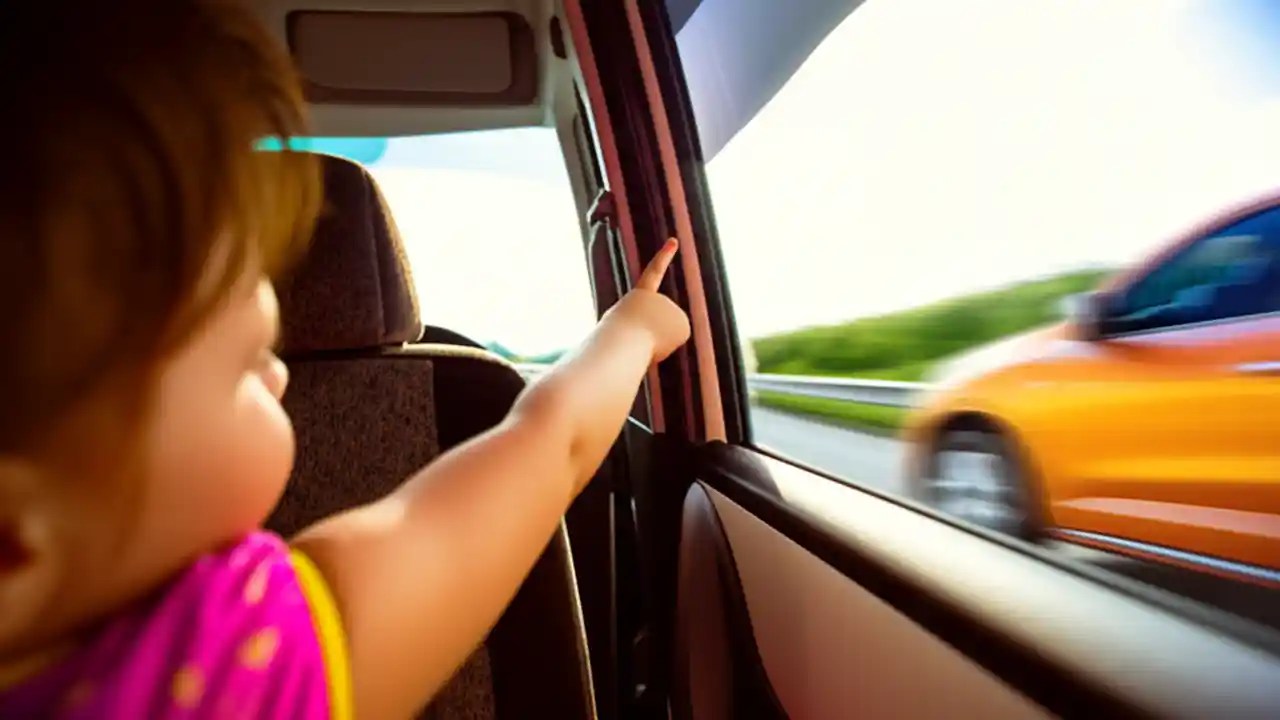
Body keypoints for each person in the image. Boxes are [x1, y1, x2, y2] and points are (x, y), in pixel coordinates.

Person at [0, 1, 691, 718]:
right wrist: (630, 332)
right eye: (248, 362)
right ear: (12, 549)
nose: (280, 375)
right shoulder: (227, 670)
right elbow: (548, 446)